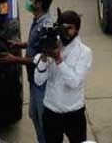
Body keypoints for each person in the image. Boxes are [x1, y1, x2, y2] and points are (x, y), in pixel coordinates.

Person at [0, 0, 54, 143]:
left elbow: (43, 58)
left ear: (39, 4)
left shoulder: (46, 26)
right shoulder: (38, 20)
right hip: (33, 80)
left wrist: (15, 59)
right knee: (34, 114)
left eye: (31, 0)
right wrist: (20, 45)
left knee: (42, 119)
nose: (28, 3)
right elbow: (34, 44)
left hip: (41, 82)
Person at [34, 10, 92, 143]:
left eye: (69, 28)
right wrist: (43, 58)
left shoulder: (84, 52)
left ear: (77, 29)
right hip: (51, 111)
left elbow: (74, 82)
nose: (65, 32)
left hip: (74, 113)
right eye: (62, 28)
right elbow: (38, 80)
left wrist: (59, 60)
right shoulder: (52, 44)